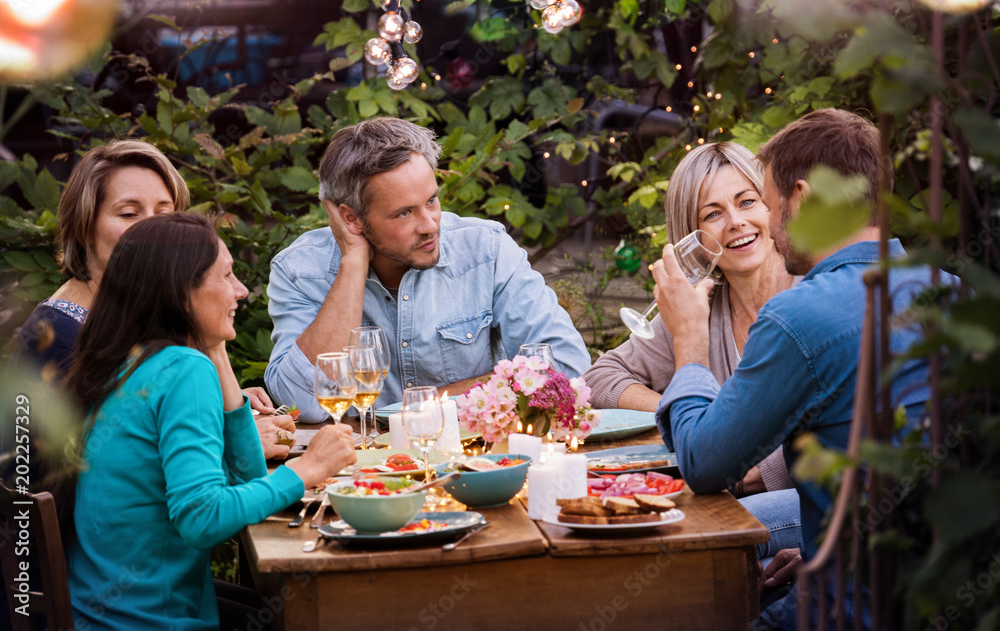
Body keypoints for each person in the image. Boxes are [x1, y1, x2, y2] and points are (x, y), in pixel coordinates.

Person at [652, 109, 941, 628]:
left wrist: (688, 338)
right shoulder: (953, 291)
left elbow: (702, 464)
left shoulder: (799, 316)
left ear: (801, 199)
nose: (767, 224)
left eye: (763, 201)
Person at [63, 212, 358, 630]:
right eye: (226, 276)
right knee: (334, 613)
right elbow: (202, 519)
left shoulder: (127, 362)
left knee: (281, 609)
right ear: (180, 290)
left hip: (103, 613)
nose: (240, 291)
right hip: (151, 620)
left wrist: (218, 355)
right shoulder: (182, 370)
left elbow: (248, 478)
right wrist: (306, 469)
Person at [266, 117, 591, 422]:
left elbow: (564, 366)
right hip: (358, 476)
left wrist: (420, 405)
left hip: (474, 464)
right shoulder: (300, 271)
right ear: (350, 219)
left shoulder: (485, 250)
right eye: (404, 213)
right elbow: (303, 403)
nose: (429, 225)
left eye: (432, 201)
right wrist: (352, 263)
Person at [12, 140, 295, 459]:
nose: (151, 227)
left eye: (165, 213)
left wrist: (215, 406)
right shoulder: (58, 341)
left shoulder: (128, 316)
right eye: (129, 213)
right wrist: (227, 437)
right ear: (84, 228)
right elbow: (102, 470)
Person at [584, 142, 798, 501]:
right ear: (692, 237)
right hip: (721, 498)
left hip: (809, 503)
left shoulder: (811, 291)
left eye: (747, 201)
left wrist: (750, 470)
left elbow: (849, 419)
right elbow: (600, 380)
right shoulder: (700, 307)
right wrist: (698, 421)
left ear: (772, 207)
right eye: (712, 214)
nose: (735, 222)